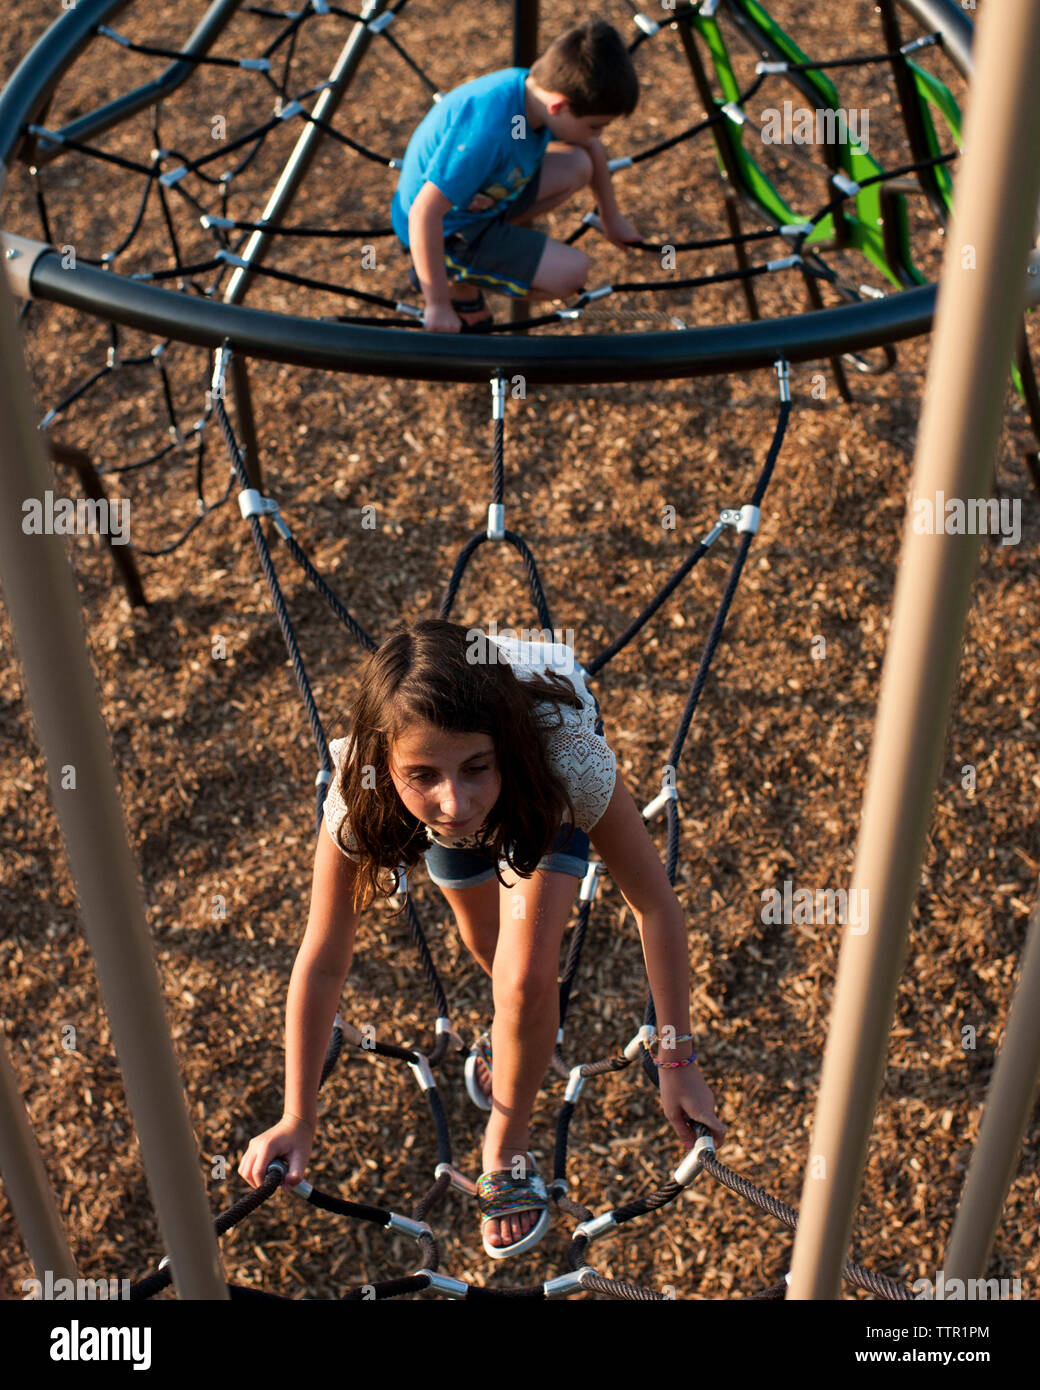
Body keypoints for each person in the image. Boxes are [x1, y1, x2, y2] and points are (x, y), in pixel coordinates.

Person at [239, 619, 725, 1260]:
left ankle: (508, 1138)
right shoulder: (362, 793)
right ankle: (513, 1037)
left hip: (534, 810)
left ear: (504, 747)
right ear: (387, 763)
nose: (454, 799)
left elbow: (655, 905)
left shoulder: (564, 763)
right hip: (457, 830)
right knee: (489, 946)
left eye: (474, 767)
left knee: (524, 979)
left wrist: (678, 1060)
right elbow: (324, 956)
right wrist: (298, 1113)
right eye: (424, 774)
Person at [390, 17, 644, 332]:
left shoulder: (531, 90)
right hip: (444, 231)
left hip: (478, 200)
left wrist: (612, 218)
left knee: (578, 163)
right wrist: (437, 305)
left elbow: (590, 147)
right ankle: (451, 276)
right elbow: (423, 213)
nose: (598, 135)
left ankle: (487, 247)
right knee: (573, 273)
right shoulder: (488, 132)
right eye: (595, 125)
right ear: (559, 107)